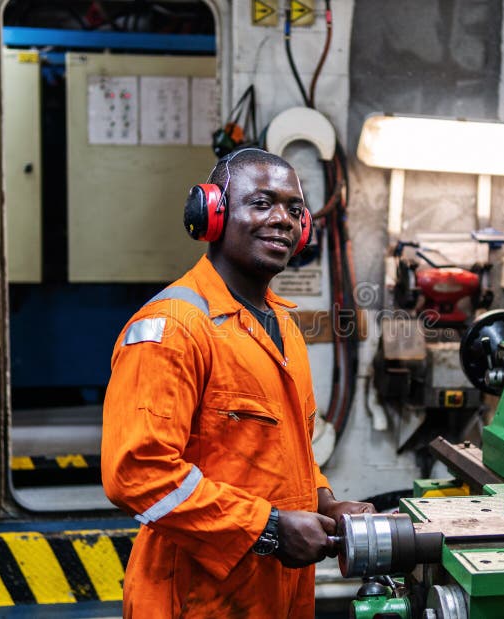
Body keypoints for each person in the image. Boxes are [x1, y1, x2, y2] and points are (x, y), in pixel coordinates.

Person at [101, 148, 374, 618]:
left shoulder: (283, 327)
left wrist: (326, 503)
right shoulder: (174, 328)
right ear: (212, 214)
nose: (283, 220)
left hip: (278, 594)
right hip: (196, 598)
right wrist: (268, 529)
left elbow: (289, 453)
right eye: (262, 202)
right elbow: (137, 474)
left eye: (294, 209)